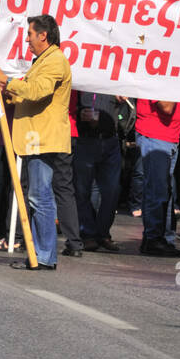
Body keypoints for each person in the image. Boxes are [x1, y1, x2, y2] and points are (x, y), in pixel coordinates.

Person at [0, 14, 80, 270]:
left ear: (43, 35)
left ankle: (45, 255)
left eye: (29, 34)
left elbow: (37, 91)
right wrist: (8, 90)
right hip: (36, 139)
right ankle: (39, 253)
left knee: (41, 198)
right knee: (38, 197)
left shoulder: (55, 61)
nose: (26, 40)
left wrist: (5, 80)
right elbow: (29, 93)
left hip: (44, 139)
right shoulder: (44, 61)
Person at [72, 91, 125, 252]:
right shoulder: (82, 76)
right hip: (85, 139)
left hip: (110, 139)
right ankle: (88, 234)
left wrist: (124, 98)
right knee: (82, 190)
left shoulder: (117, 74)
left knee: (112, 190)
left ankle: (102, 233)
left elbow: (131, 108)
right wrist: (80, 112)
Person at [134, 98, 180, 256]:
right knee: (158, 189)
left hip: (169, 136)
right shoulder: (161, 77)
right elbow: (166, 107)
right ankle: (153, 238)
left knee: (164, 190)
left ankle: (158, 238)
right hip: (156, 134)